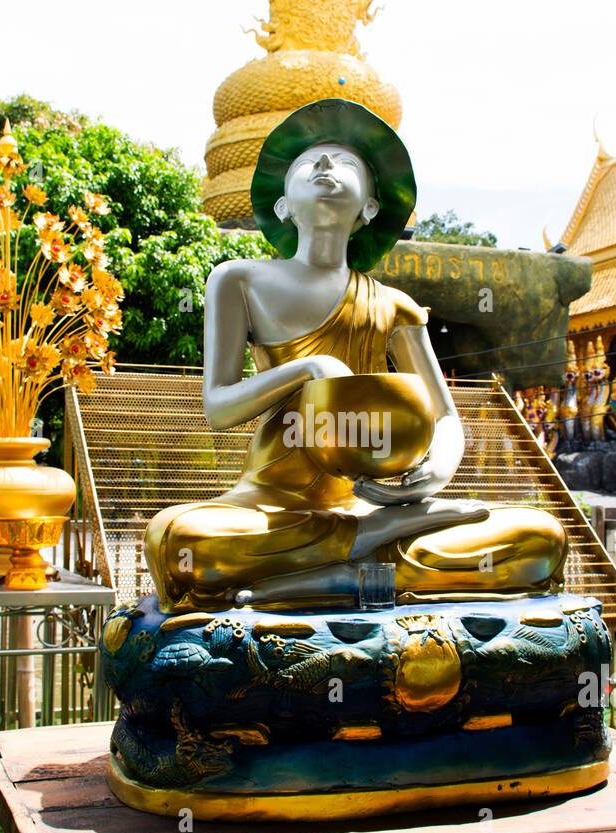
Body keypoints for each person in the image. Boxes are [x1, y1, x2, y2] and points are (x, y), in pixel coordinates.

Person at [145, 99, 565, 612]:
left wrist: (435, 473)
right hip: (274, 504)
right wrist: (309, 369)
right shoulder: (239, 279)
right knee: (182, 541)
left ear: (369, 206)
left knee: (540, 537)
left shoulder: (391, 305)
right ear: (282, 205)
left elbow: (443, 418)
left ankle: (350, 557)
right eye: (308, 163)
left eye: (344, 163)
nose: (324, 166)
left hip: (369, 495)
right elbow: (219, 407)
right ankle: (371, 551)